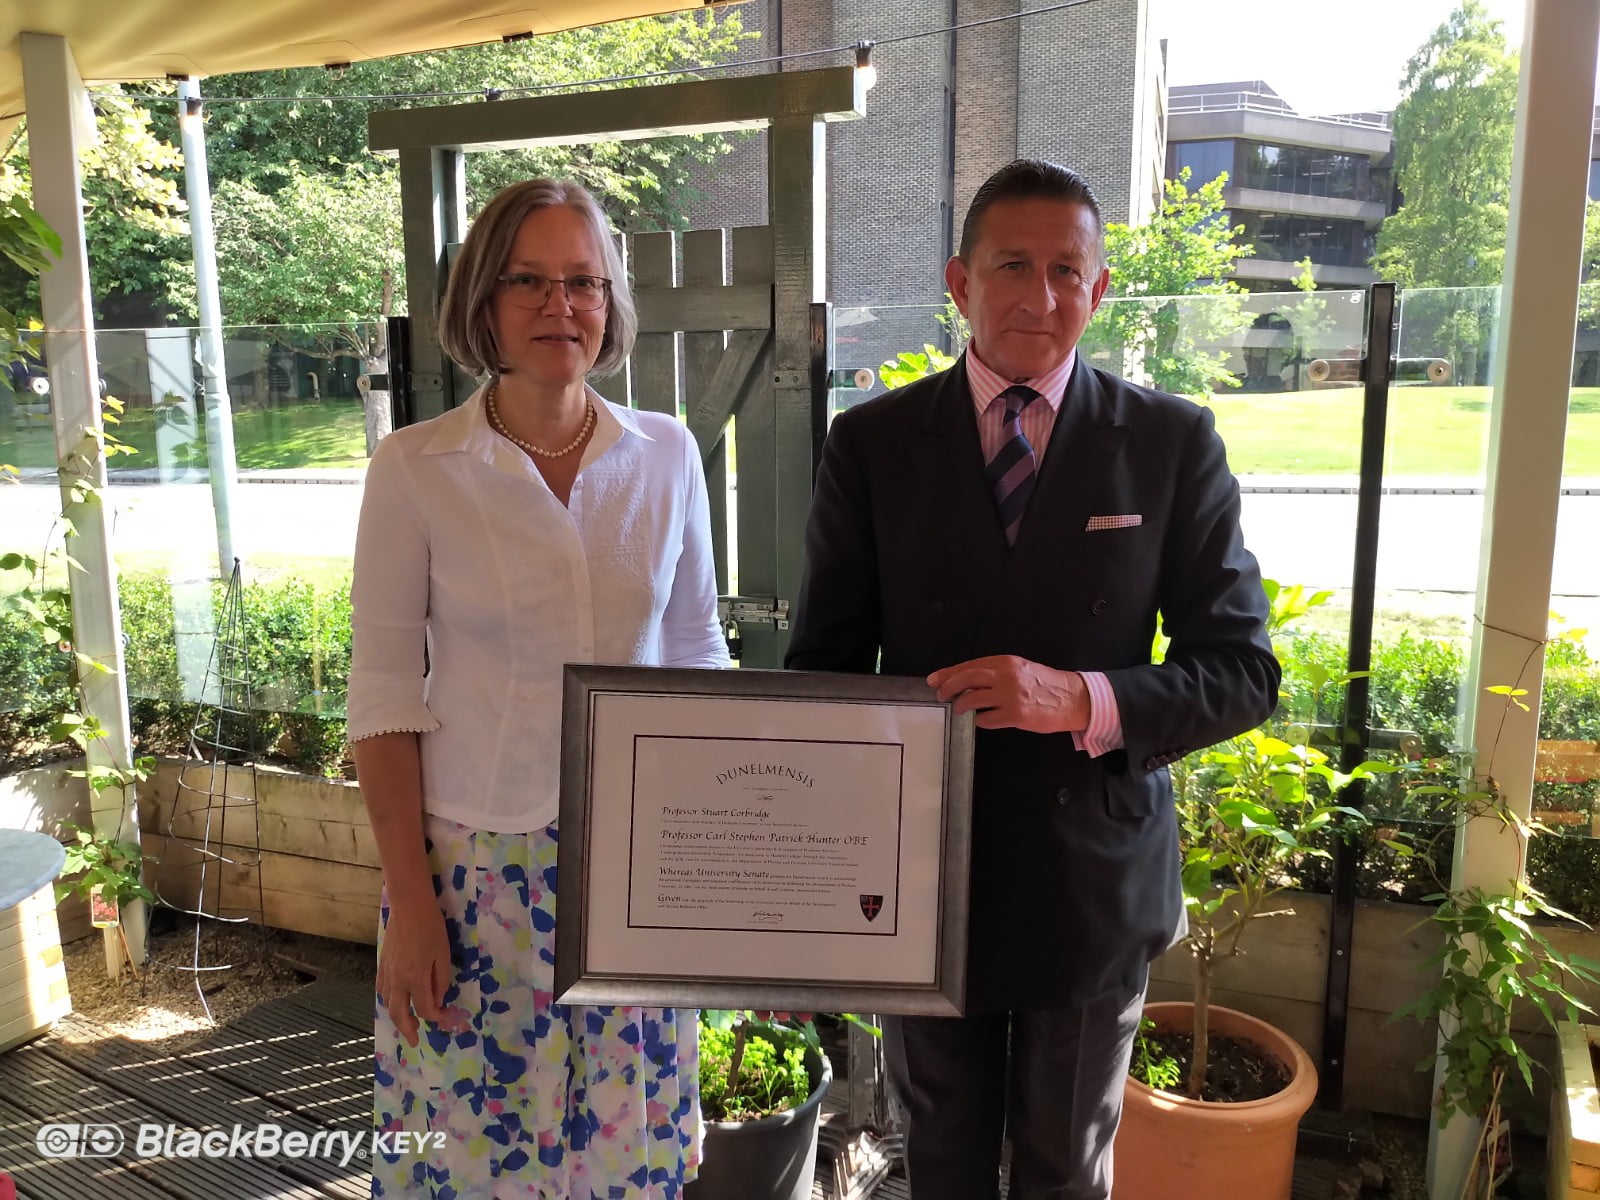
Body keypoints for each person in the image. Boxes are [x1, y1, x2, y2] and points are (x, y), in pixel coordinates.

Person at [784, 159, 1281, 1200]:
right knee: (943, 1165)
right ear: (959, 282)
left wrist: (1081, 698)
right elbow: (822, 677)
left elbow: (1239, 672)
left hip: (1089, 886)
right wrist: (808, 910)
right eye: (1013, 265)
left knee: (1065, 1169)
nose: (1039, 296)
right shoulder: (871, 445)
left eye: (1067, 270)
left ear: (1099, 290)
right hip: (923, 884)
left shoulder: (1168, 442)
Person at [348, 177, 730, 1199]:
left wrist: (723, 880)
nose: (560, 305)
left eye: (583, 282)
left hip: (635, 878)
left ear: (609, 306)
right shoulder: (415, 468)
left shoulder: (667, 454)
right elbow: (382, 699)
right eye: (530, 281)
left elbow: (697, 655)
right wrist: (412, 906)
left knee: (625, 1153)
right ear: (484, 300)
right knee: (472, 1159)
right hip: (473, 881)